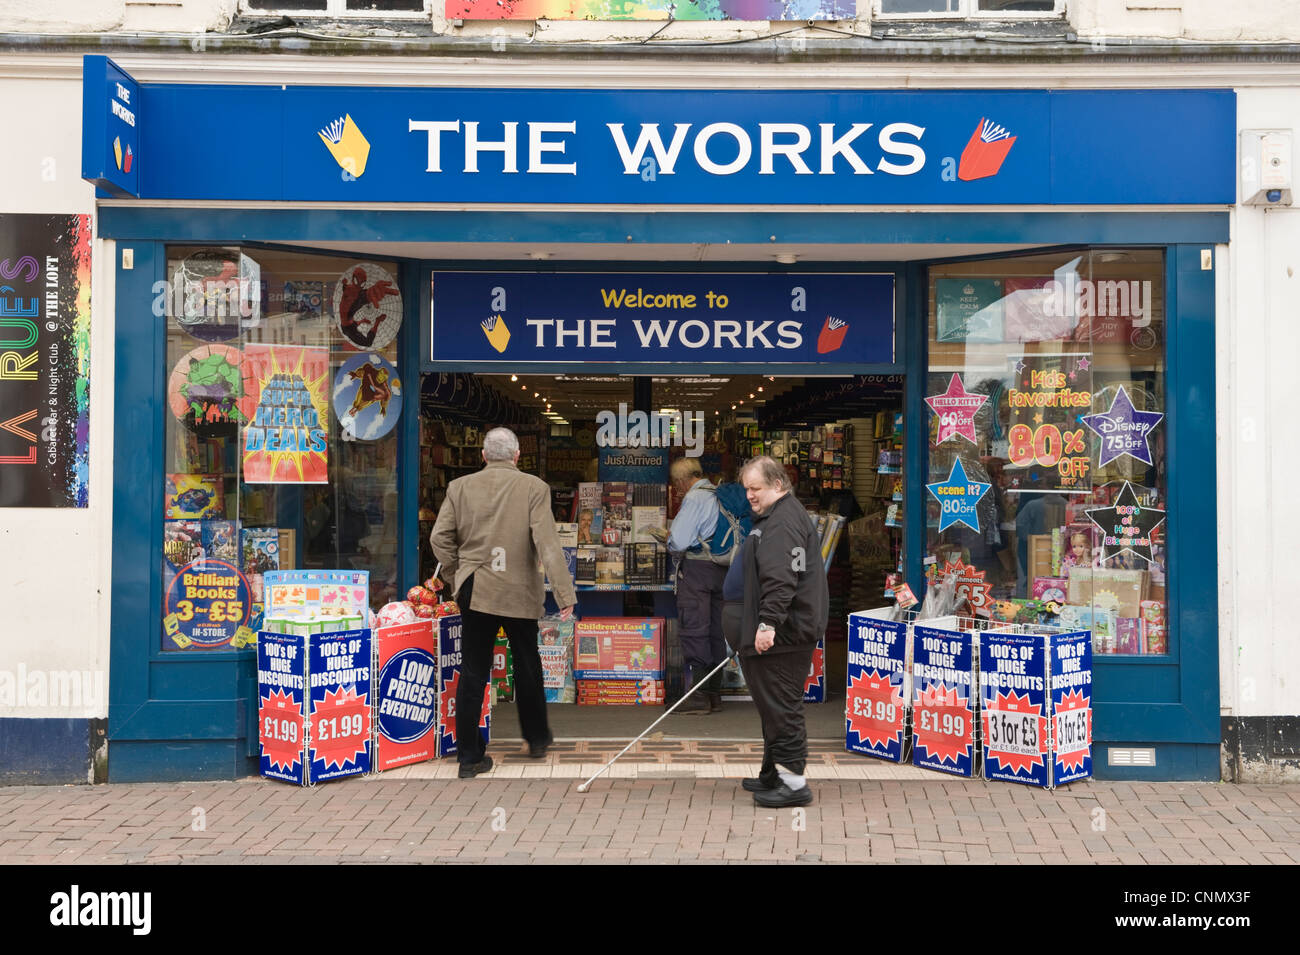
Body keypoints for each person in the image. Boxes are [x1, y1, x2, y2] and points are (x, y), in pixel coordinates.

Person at [429, 427, 576, 778]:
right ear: (516, 456)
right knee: (527, 664)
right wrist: (564, 594)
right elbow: (547, 544)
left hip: (475, 587)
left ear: (483, 455)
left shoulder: (459, 487)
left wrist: (455, 574)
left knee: (473, 670)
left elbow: (439, 538)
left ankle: (469, 756)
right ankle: (537, 739)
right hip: (518, 588)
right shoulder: (534, 488)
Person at [737, 455, 828, 808]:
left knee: (782, 705)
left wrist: (767, 623)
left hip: (786, 634)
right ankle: (772, 774)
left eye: (755, 488)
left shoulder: (784, 522)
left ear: (777, 484)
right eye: (746, 489)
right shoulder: (781, 517)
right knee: (772, 706)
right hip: (785, 630)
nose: (749, 495)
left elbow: (782, 579)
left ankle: (793, 784)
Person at [664, 457, 728, 714]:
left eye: (676, 483)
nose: (677, 489)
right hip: (722, 570)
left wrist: (666, 539)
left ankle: (699, 697)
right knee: (715, 630)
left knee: (695, 627)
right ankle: (714, 693)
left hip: (698, 571)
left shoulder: (694, 498)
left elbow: (679, 542)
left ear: (682, 480)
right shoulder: (717, 493)